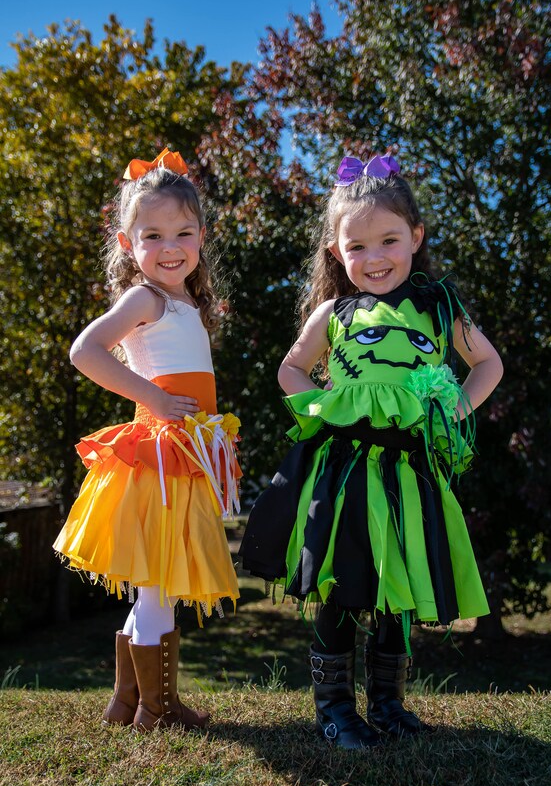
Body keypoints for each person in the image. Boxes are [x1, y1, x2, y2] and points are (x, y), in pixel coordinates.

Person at [240, 153, 503, 750]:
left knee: (396, 587)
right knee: (339, 585)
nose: (374, 257)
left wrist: (452, 410)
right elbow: (290, 370)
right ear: (336, 251)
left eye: (389, 240)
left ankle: (388, 705)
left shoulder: (440, 308)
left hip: (409, 475)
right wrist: (327, 408)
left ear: (415, 237)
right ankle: (334, 710)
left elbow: (488, 363)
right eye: (356, 246)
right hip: (344, 474)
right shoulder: (333, 314)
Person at [54, 149, 241, 732]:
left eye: (184, 232)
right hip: (157, 459)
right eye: (153, 234)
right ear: (127, 242)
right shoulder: (146, 298)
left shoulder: (187, 303)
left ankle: (128, 704)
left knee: (153, 590)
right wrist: (154, 399)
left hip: (183, 457)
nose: (170, 246)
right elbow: (84, 352)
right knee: (158, 585)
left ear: (202, 236)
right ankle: (158, 711)